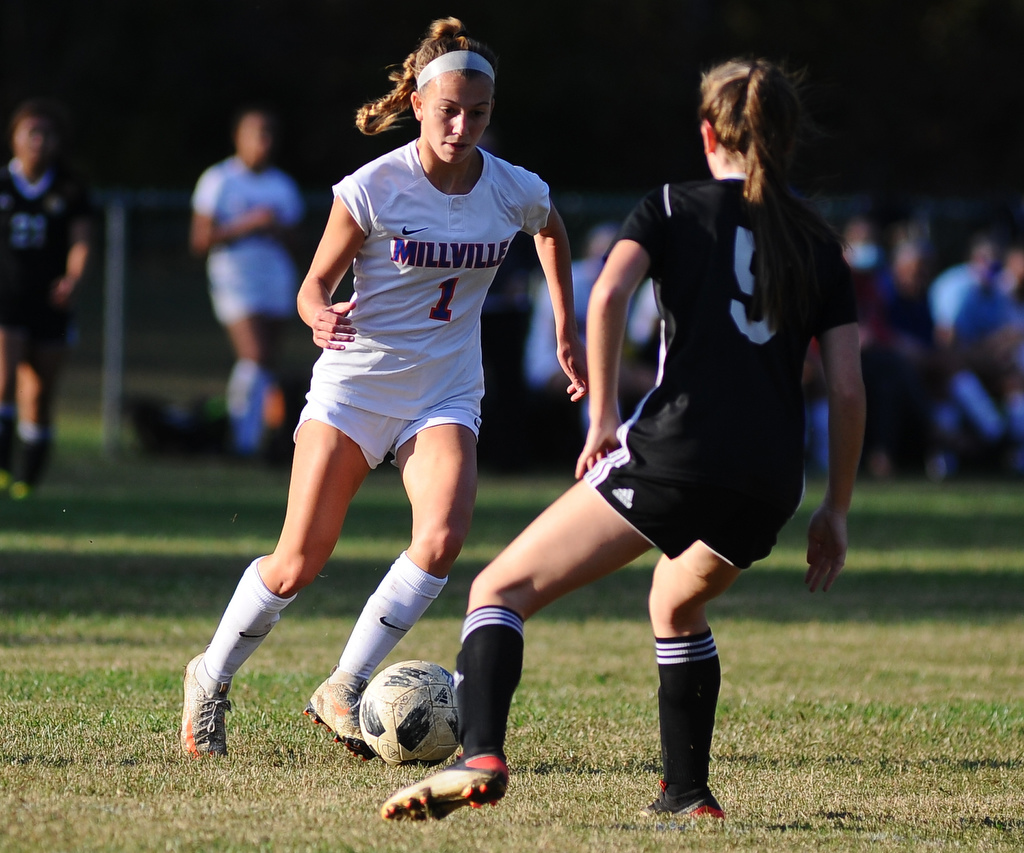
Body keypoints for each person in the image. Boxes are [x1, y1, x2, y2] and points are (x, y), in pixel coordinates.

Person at [380, 57, 865, 823]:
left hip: (679, 448)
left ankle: (479, 755)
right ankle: (685, 793)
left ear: (708, 133)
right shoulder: (818, 241)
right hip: (770, 477)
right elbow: (844, 387)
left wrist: (604, 415)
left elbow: (607, 291)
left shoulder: (673, 206)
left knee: (497, 590)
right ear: (787, 139)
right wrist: (835, 510)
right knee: (675, 602)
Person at [180, 18, 587, 759]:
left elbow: (551, 227)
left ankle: (344, 682)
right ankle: (209, 675)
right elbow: (312, 285)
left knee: (441, 539)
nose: (464, 127)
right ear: (417, 103)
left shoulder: (512, 188)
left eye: (480, 114)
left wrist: (566, 326)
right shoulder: (373, 186)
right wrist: (316, 315)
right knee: (298, 560)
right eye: (449, 112)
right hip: (355, 388)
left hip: (445, 392)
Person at [190, 107, 305, 457]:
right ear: (239, 138)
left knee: (267, 360)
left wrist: (276, 229)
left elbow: (299, 241)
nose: (264, 143)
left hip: (275, 277)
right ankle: (242, 440)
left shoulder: (282, 185)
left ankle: (261, 438)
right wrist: (247, 224)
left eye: (270, 135)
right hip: (235, 279)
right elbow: (200, 239)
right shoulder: (219, 180)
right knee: (253, 354)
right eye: (257, 134)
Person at [0, 99, 94, 499]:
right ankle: (3, 470)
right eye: (30, 133)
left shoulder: (69, 187)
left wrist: (73, 277)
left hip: (50, 304)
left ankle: (27, 481)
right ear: (14, 139)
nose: (38, 141)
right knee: (4, 380)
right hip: (7, 299)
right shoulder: (3, 185)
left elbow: (82, 241)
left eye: (46, 134)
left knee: (38, 394)